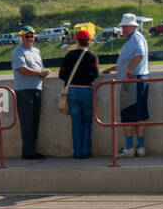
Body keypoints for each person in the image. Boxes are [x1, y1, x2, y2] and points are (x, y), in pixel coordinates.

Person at [104, 12, 150, 156]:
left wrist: (129, 69)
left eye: (125, 27)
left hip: (132, 81)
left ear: (132, 27)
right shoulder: (136, 38)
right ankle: (141, 147)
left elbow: (139, 54)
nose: (123, 30)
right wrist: (113, 69)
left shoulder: (135, 39)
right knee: (140, 115)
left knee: (128, 115)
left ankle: (129, 147)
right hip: (140, 79)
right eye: (123, 27)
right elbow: (130, 58)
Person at [58, 29, 99, 158]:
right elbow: (96, 74)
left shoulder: (69, 55)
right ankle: (85, 151)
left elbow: (61, 74)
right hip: (86, 90)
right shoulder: (92, 55)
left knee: (76, 122)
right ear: (89, 42)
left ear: (77, 41)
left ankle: (76, 152)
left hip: (72, 91)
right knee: (87, 121)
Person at [11, 25, 49, 160]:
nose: (29, 38)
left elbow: (40, 69)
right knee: (27, 122)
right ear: (21, 37)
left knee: (34, 122)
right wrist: (40, 72)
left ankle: (31, 150)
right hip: (24, 90)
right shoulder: (18, 51)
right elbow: (22, 69)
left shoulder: (36, 51)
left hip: (37, 88)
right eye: (26, 36)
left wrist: (43, 73)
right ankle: (28, 152)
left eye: (31, 35)